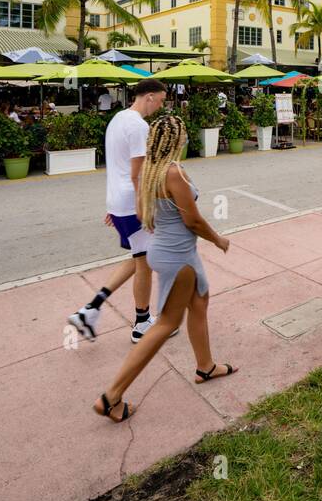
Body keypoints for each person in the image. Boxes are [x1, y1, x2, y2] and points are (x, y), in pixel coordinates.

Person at [93, 114, 235, 423]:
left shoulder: (148, 171)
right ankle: (111, 396)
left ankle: (205, 366)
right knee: (166, 324)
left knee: (200, 301)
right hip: (179, 257)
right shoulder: (173, 172)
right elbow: (193, 220)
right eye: (184, 135)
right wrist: (218, 240)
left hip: (166, 251)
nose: (186, 140)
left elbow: (144, 213)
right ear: (176, 140)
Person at [69, 78, 170, 346]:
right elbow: (138, 173)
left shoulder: (117, 119)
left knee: (140, 258)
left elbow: (117, 165)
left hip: (119, 201)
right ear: (149, 96)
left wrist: (114, 207)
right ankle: (141, 323)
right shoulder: (138, 126)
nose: (159, 107)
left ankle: (90, 309)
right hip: (131, 202)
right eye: (159, 101)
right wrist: (142, 206)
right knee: (145, 263)